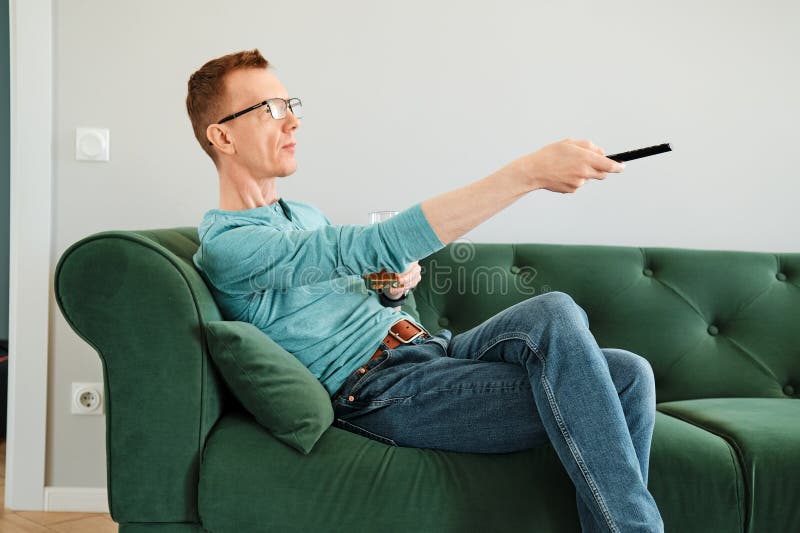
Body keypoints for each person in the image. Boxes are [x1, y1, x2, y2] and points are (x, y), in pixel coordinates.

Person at [188, 49, 664, 533]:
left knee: (618, 361)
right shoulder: (231, 246)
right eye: (270, 108)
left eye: (291, 105)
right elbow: (377, 243)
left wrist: (388, 291)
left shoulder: (302, 214)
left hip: (432, 349)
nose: (292, 121)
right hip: (380, 389)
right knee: (621, 380)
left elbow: (349, 280)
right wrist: (529, 173)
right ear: (222, 135)